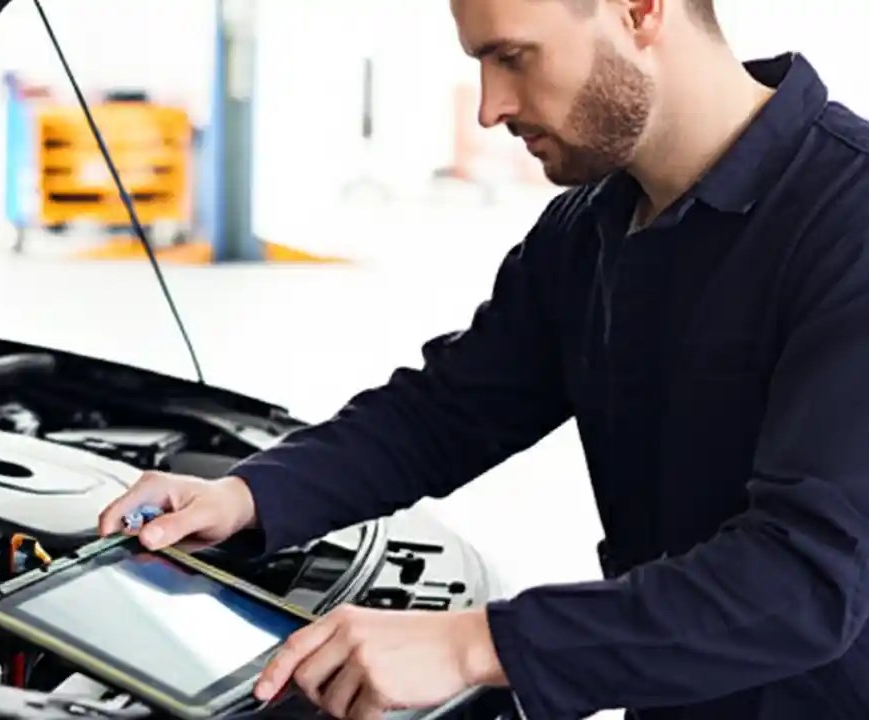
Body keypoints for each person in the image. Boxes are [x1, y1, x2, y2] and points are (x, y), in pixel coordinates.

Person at [98, 1, 869, 718]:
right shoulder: (590, 228)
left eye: (513, 57)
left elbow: (804, 584)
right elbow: (447, 412)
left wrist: (477, 644)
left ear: (639, 9)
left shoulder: (849, 224)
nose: (488, 106)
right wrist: (245, 497)